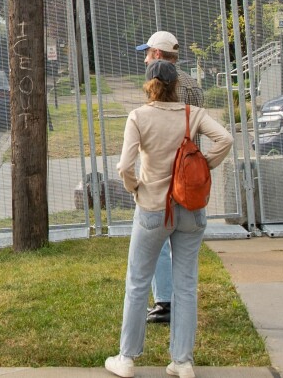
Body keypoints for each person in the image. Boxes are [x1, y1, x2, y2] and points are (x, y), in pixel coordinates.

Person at [105, 58, 233, 378]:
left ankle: (127, 358)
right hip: (191, 208)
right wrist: (203, 164)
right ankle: (182, 361)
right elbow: (226, 139)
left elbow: (124, 166)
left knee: (137, 283)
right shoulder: (193, 114)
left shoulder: (138, 117)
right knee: (186, 285)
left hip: (152, 208)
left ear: (149, 84)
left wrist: (135, 188)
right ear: (177, 85)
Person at [134, 30, 204, 325]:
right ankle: (180, 301)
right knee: (185, 247)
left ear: (159, 55)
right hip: (189, 176)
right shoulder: (193, 85)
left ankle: (165, 301)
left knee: (159, 240)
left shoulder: (162, 86)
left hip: (163, 176)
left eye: (148, 52)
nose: (146, 57)